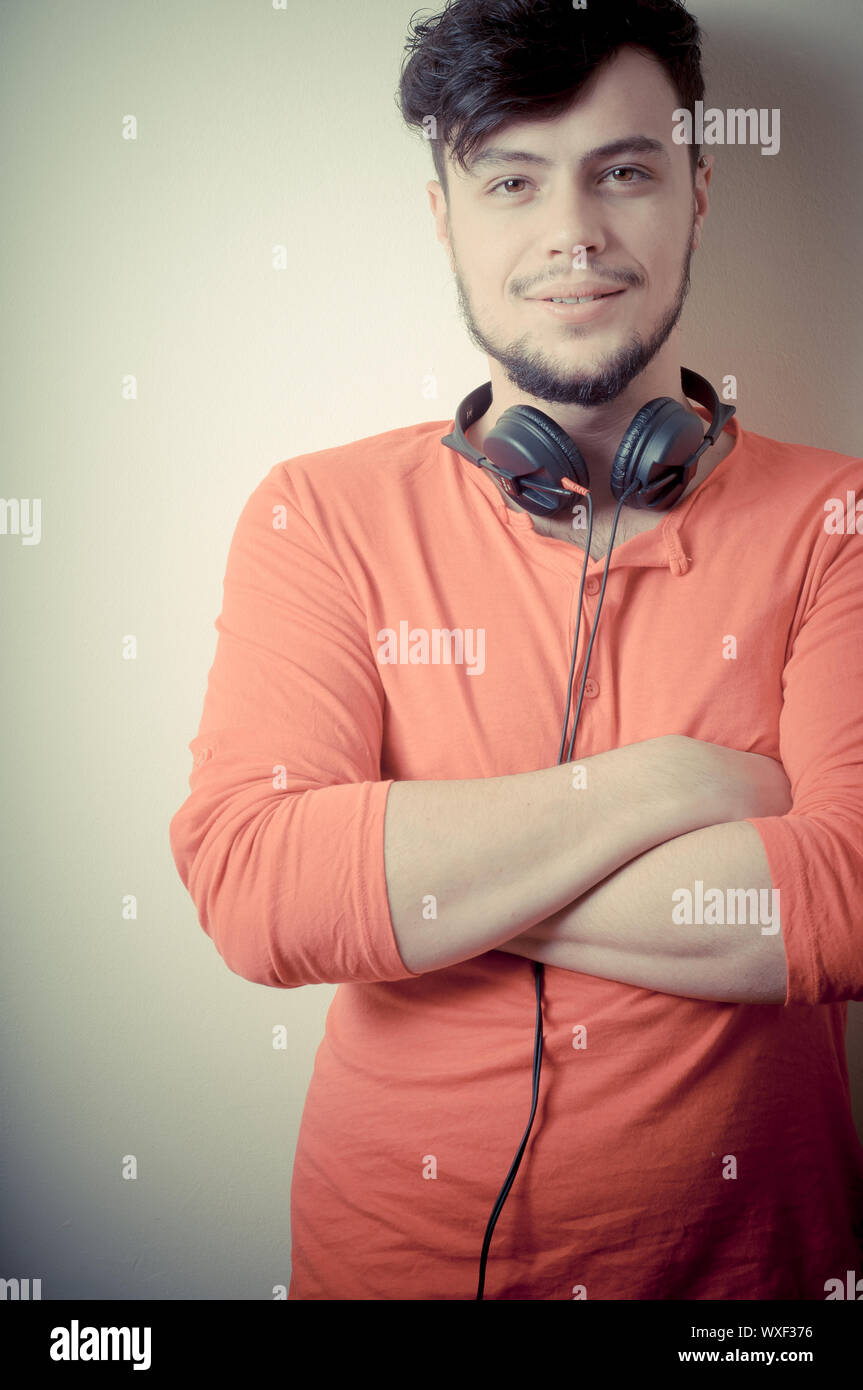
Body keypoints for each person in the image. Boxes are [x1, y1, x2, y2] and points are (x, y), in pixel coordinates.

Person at [169, 0, 863, 1299]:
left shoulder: (842, 519)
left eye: (625, 171)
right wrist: (672, 784)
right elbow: (259, 886)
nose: (572, 234)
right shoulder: (314, 514)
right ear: (444, 212)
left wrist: (413, 887)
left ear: (698, 191)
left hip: (760, 1290)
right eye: (510, 178)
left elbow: (852, 897)